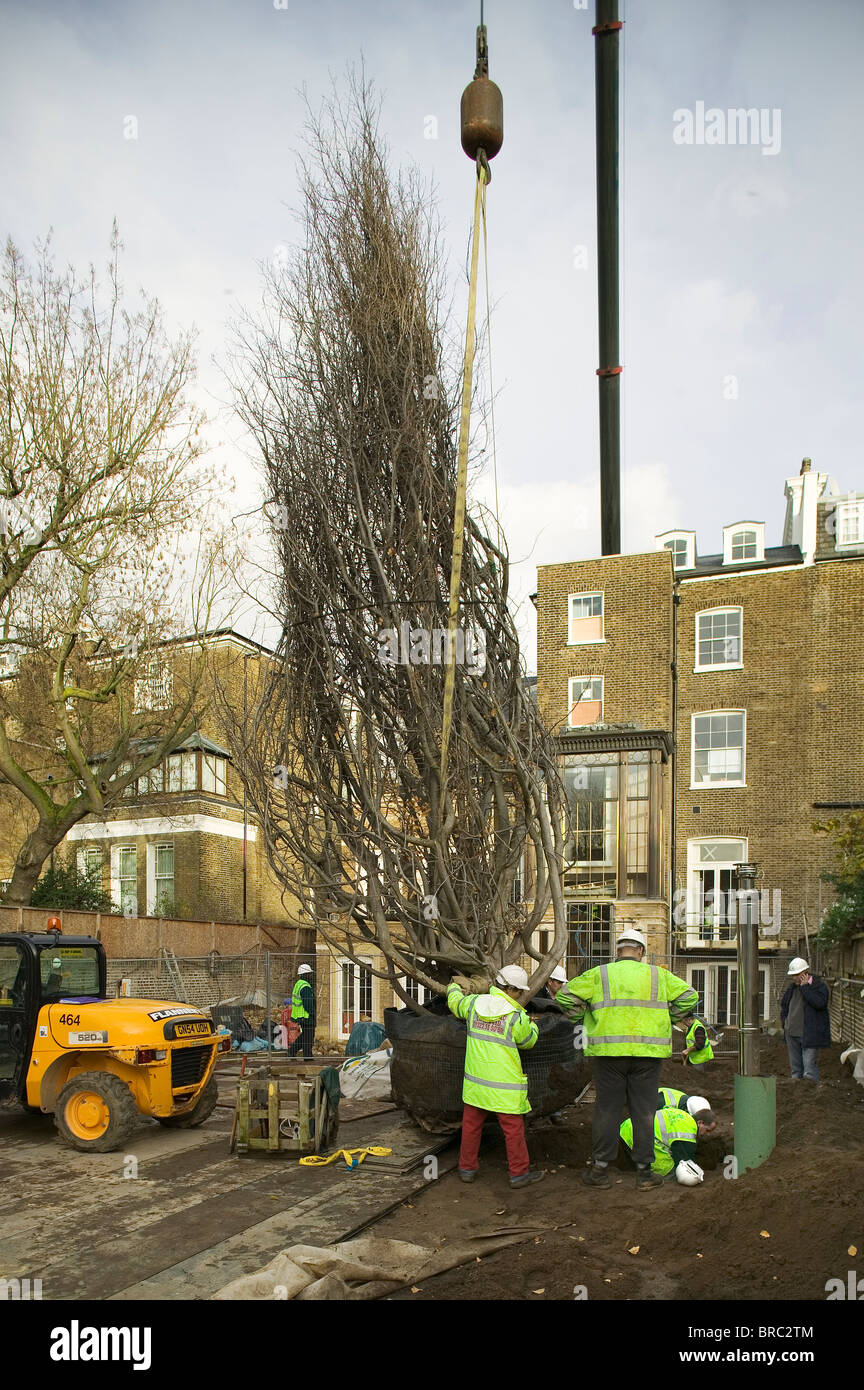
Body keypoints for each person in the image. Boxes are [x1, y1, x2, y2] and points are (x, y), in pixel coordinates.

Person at [555, 927, 700, 1191]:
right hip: (647, 1055)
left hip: (609, 1055)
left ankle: (599, 1170)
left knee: (607, 1111)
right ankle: (644, 1173)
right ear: (641, 952)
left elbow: (565, 995)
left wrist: (580, 1016)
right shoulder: (659, 975)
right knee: (644, 1112)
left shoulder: (600, 974)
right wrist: (670, 1017)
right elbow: (690, 995)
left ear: (618, 951)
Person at [447, 964, 545, 1189]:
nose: (521, 995)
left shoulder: (474, 1003)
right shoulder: (516, 1016)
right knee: (513, 1130)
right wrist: (534, 1026)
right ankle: (519, 1174)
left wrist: (454, 987)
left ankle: (467, 1169)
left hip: (476, 1083)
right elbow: (527, 1041)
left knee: (471, 1126)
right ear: (510, 989)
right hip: (505, 1087)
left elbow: (455, 1003)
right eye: (519, 991)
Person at [619, 1102, 717, 1185]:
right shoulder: (688, 1131)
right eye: (707, 1130)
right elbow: (685, 1162)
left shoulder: (682, 1115)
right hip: (636, 1136)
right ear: (700, 1123)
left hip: (626, 1128)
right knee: (670, 1172)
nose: (707, 1135)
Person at [780, 956, 830, 1081]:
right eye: (793, 975)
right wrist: (785, 1024)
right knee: (796, 1071)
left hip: (809, 1034)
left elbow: (819, 1003)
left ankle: (811, 1098)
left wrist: (805, 987)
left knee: (809, 1071)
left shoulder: (819, 986)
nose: (794, 978)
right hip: (791, 1033)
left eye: (797, 974)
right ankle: (797, 1098)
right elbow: (784, 1005)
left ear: (805, 972)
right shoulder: (792, 988)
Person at [287, 963, 316, 1061]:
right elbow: (308, 1004)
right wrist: (312, 1013)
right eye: (309, 974)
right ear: (305, 975)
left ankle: (292, 1051)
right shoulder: (305, 987)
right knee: (308, 1038)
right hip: (306, 1016)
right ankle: (307, 1057)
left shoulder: (298, 984)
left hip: (300, 1016)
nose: (311, 976)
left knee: (304, 1036)